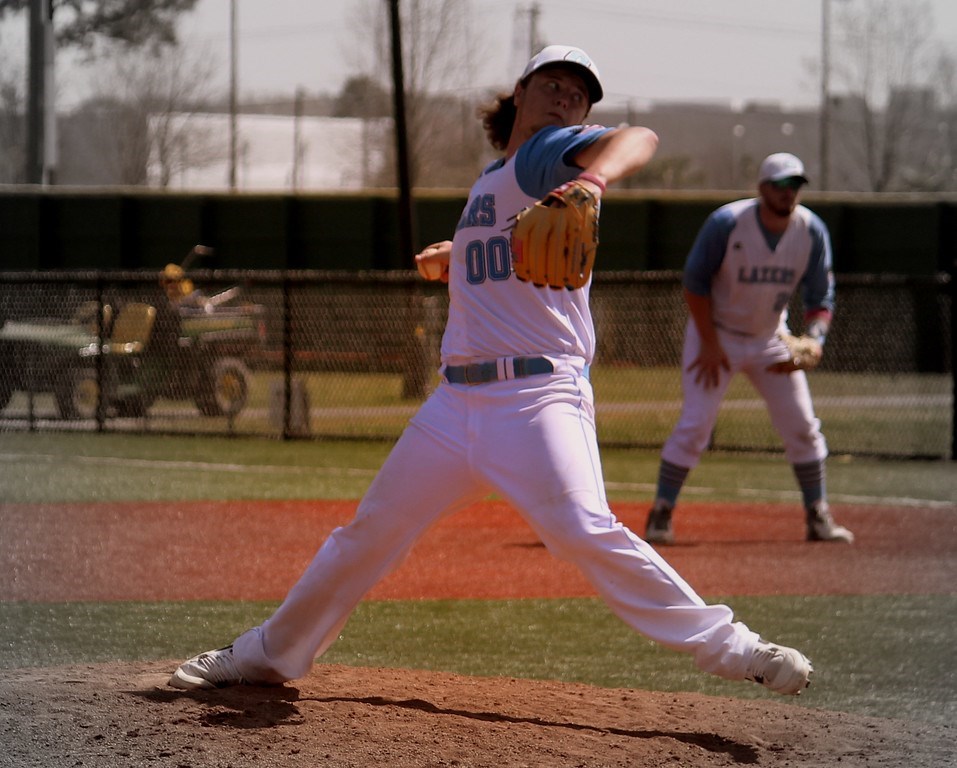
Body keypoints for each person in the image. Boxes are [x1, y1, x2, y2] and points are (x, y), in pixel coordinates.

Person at [170, 46, 812, 697]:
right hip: (453, 408)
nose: (566, 96)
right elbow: (520, 240)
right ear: (520, 89)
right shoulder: (495, 177)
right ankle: (267, 656)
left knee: (585, 529)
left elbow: (637, 137)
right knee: (365, 535)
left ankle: (737, 648)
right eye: (553, 82)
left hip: (536, 399)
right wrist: (464, 251)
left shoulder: (550, 154)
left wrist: (592, 181)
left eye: (578, 92)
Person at [644, 152, 854, 546]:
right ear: (761, 188)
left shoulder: (811, 231)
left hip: (769, 339)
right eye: (780, 185)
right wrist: (707, 343)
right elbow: (695, 284)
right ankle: (660, 514)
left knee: (803, 427)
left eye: (795, 186)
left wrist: (814, 339)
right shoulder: (728, 223)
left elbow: (820, 296)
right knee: (695, 426)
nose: (788, 193)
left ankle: (817, 516)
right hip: (716, 334)